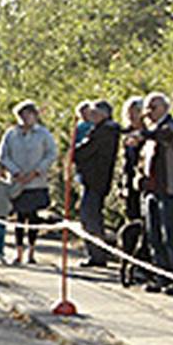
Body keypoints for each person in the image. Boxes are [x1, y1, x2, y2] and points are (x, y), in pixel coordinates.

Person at [136, 92, 173, 295]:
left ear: (165, 108)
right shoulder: (150, 133)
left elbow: (167, 134)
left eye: (154, 107)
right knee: (154, 237)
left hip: (171, 190)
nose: (149, 112)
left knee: (172, 236)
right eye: (147, 107)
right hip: (152, 191)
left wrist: (143, 134)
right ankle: (161, 277)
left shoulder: (172, 128)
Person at [0, 100, 57, 265]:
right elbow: (3, 155)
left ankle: (31, 251)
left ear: (35, 116)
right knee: (19, 218)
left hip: (36, 182)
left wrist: (37, 171)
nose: (25, 118)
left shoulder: (43, 134)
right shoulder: (11, 134)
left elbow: (51, 154)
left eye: (29, 115)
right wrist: (15, 172)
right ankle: (19, 253)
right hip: (17, 183)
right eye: (22, 115)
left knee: (33, 217)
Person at [73, 100, 120, 268]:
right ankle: (95, 254)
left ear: (103, 114)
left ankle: (98, 255)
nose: (90, 116)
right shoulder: (100, 129)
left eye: (94, 112)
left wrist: (75, 152)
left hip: (96, 180)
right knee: (88, 216)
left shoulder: (105, 131)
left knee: (90, 217)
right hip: (92, 179)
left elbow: (84, 151)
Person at [118, 96, 145, 222]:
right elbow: (124, 164)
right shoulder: (127, 134)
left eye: (135, 113)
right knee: (131, 216)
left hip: (145, 183)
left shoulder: (151, 133)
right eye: (129, 113)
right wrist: (121, 185)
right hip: (130, 183)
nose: (132, 116)